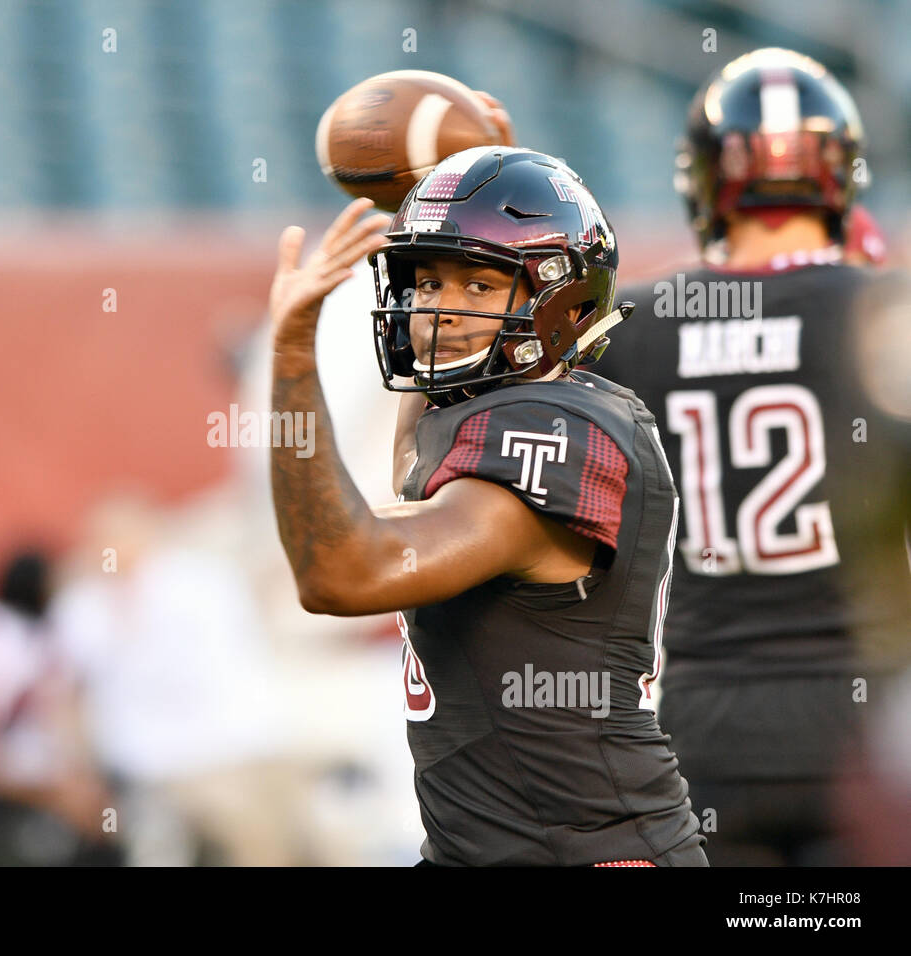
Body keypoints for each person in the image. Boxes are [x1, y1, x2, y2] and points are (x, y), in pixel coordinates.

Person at [268, 145, 706, 866]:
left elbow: (343, 572)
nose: (440, 310)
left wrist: (291, 358)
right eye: (428, 281)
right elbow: (412, 462)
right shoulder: (481, 411)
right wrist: (452, 178)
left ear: (556, 296)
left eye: (478, 285)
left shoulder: (556, 428)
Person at [590, 47, 911, 865]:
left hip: (702, 719)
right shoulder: (885, 310)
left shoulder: (631, 323)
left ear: (705, 179)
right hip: (862, 715)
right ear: (838, 174)